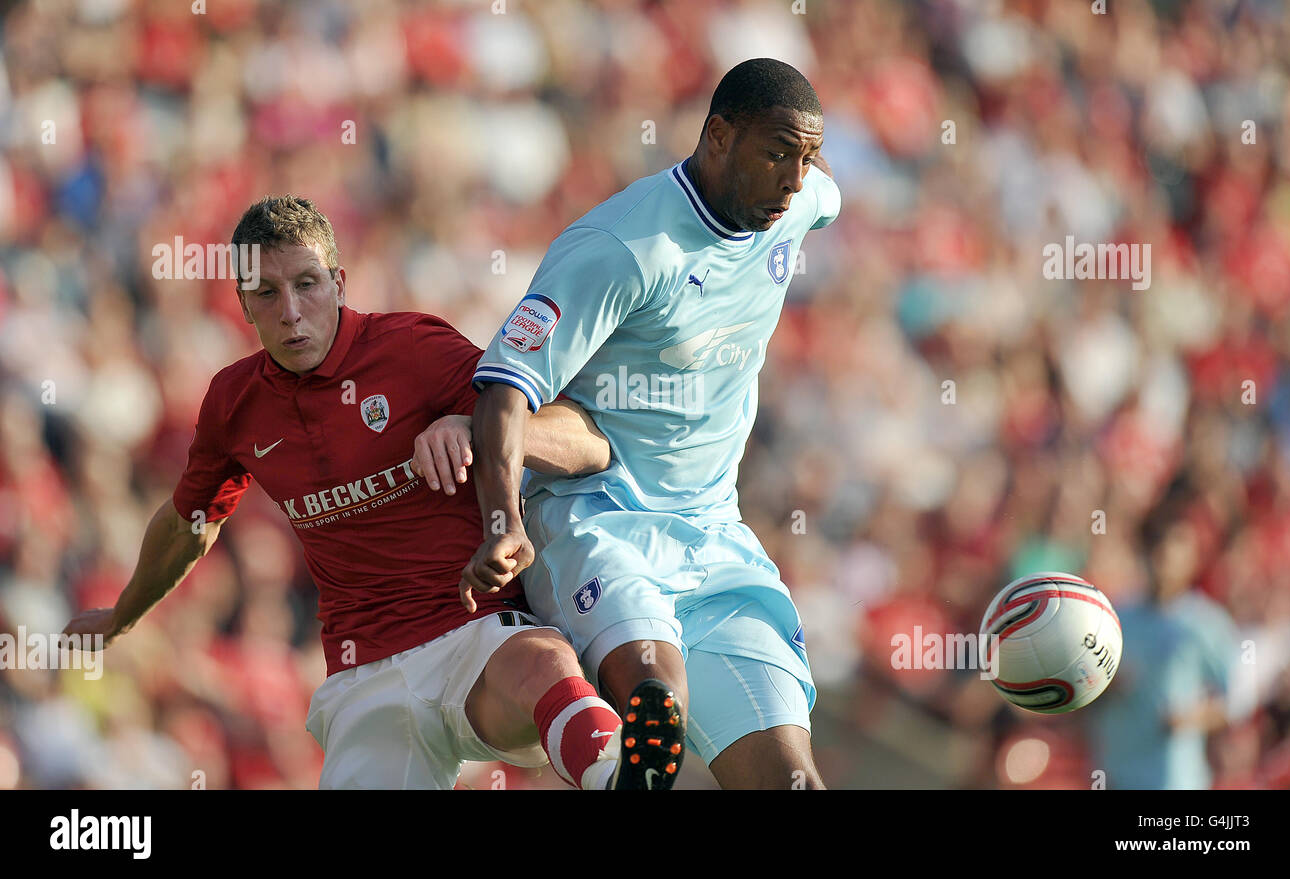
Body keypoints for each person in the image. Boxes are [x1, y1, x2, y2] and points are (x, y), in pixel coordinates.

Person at [63, 196, 674, 790]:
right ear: (243, 305)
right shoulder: (233, 404)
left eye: (307, 284)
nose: (292, 312)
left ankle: (621, 772)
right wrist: (121, 617)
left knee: (543, 662)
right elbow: (186, 526)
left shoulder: (412, 348)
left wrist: (474, 425)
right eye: (267, 294)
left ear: (340, 281)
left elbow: (588, 440)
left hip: (474, 632)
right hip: (366, 675)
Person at [462, 58, 840, 788]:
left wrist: (801, 172)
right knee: (656, 698)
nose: (794, 181)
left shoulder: (801, 201)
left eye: (806, 158)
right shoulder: (621, 247)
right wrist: (501, 522)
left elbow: (825, 196)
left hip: (715, 533)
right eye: (775, 154)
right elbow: (505, 390)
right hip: (600, 519)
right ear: (718, 136)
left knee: (791, 777)